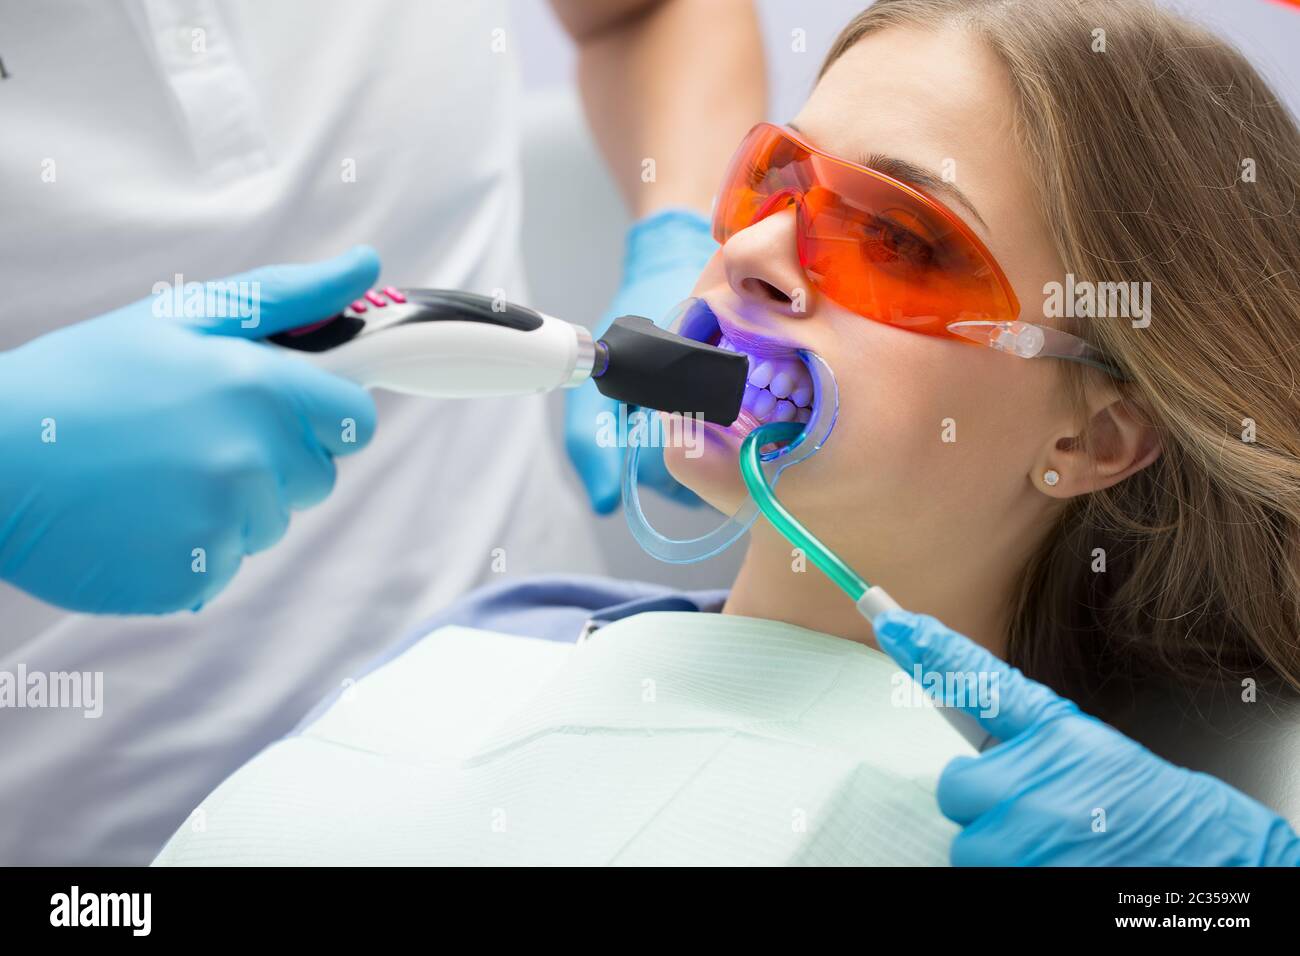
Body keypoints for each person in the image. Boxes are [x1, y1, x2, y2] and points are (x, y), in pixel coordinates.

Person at [159, 0, 1300, 866]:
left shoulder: (1063, 836)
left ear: (1096, 438)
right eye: (773, 180)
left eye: (895, 237)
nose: (756, 252)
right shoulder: (506, 628)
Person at [0, 0, 762, 863]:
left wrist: (683, 230)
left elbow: (636, 13)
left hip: (542, 742)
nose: (768, 257)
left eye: (902, 241)